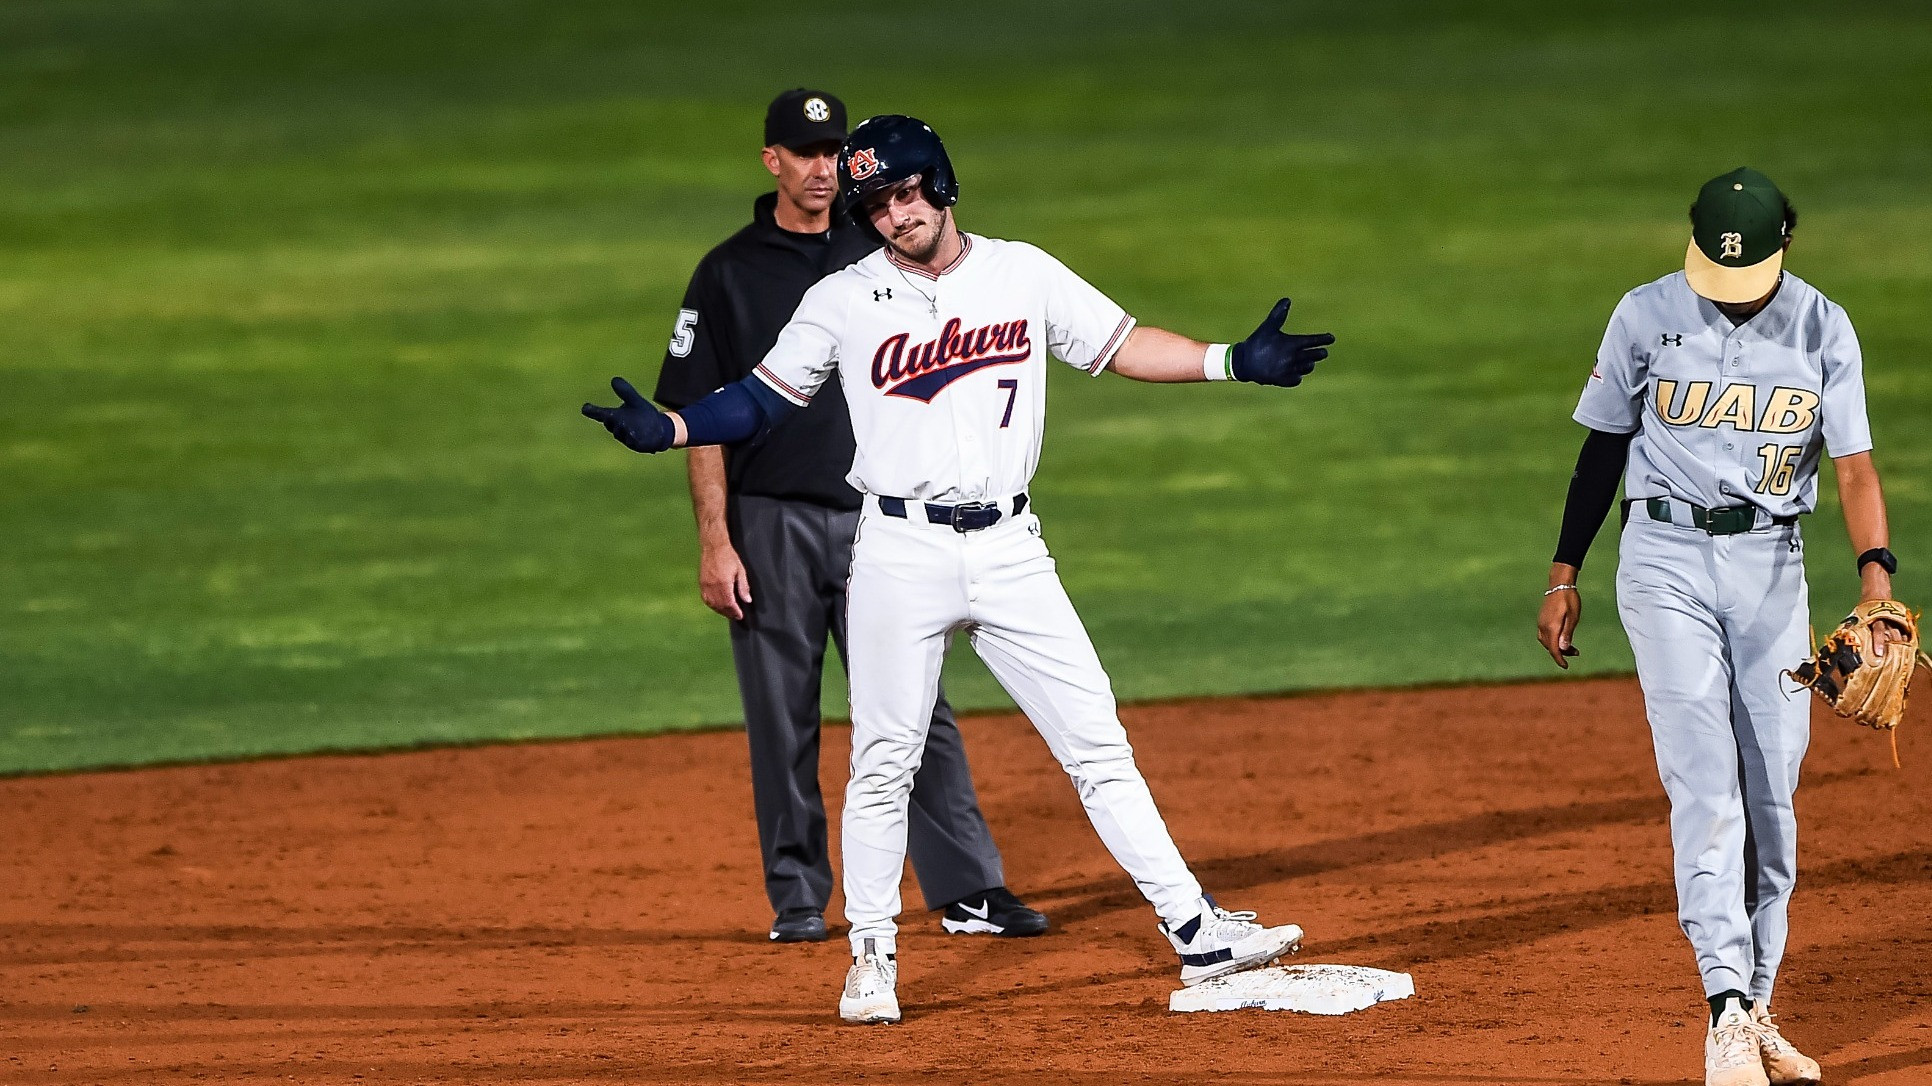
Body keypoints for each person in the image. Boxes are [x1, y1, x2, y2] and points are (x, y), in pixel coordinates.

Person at [587, 114, 1327, 1024]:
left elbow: (1120, 344)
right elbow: (760, 399)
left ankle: (1197, 931)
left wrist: (1230, 362)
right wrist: (672, 428)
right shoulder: (844, 299)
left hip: (1014, 549)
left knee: (1097, 744)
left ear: (940, 182)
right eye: (877, 206)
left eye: (905, 192)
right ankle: (870, 960)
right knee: (884, 759)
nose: (896, 215)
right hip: (899, 551)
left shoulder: (1022, 270)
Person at [651, 90, 1046, 946]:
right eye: (806, 152)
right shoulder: (728, 272)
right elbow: (702, 413)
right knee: (782, 711)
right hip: (773, 523)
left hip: (888, 525)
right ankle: (799, 900)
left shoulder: (885, 244)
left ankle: (968, 888)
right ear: (773, 162)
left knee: (916, 710)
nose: (825, 168)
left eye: (834, 152)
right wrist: (716, 542)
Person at [1536, 167, 1901, 1086]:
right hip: (1662, 561)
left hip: (1773, 568)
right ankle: (1725, 1009)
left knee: (1773, 798)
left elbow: (1853, 467)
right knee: (1707, 784)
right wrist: (1564, 572)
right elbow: (1603, 445)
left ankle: (1760, 1001)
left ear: (1788, 244)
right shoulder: (1644, 312)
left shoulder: (1826, 327)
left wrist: (1874, 579)